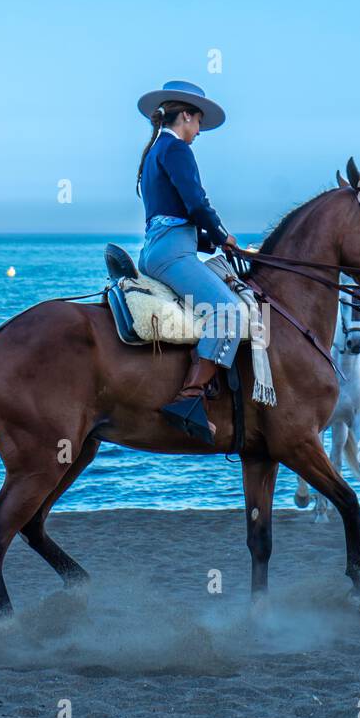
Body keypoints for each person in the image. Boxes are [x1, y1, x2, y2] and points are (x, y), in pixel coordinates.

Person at [136, 79, 243, 444]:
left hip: (157, 248)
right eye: (197, 123)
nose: (198, 132)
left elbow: (173, 214)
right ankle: (190, 399)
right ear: (185, 116)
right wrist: (221, 235)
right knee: (229, 311)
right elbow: (196, 204)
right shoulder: (178, 150)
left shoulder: (154, 152)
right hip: (172, 252)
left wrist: (210, 241)